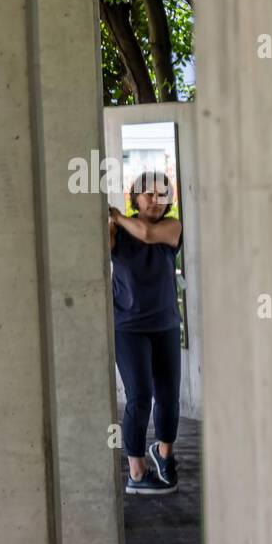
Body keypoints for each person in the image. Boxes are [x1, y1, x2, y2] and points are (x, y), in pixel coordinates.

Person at [109, 171, 183, 494]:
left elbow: (148, 234)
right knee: (139, 397)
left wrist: (116, 215)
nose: (156, 199)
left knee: (168, 397)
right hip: (129, 328)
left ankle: (164, 454)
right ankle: (136, 474)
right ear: (135, 197)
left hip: (165, 325)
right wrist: (111, 221)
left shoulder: (172, 227)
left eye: (163, 194)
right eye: (149, 194)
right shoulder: (116, 232)